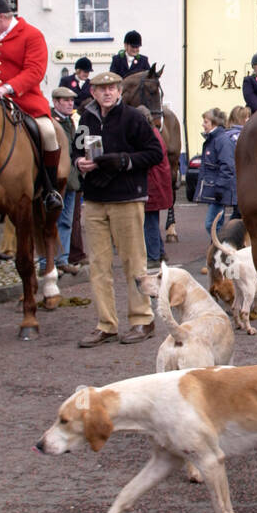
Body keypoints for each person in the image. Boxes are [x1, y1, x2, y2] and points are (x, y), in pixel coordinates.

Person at [74, 71, 163, 347]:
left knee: (133, 262)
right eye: (102, 89)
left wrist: (123, 161)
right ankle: (106, 324)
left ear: (120, 91)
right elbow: (76, 149)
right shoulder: (86, 119)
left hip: (126, 197)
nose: (108, 92)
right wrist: (78, 162)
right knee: (99, 265)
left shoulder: (134, 118)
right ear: (93, 92)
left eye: (112, 88)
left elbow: (155, 153)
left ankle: (142, 319)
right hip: (95, 198)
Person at [0, 0, 63, 210]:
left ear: (1, 18)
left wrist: (6, 88)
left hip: (24, 100)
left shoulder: (32, 35)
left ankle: (49, 189)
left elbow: (35, 71)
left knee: (48, 133)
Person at [48, 87, 82, 275]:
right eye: (66, 100)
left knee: (66, 222)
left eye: (72, 100)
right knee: (50, 222)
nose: (70, 104)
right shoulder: (51, 122)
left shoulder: (71, 122)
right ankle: (47, 260)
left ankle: (62, 259)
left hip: (71, 181)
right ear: (56, 102)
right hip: (55, 182)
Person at [136, 104, 173, 273]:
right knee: (152, 221)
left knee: (149, 222)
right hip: (157, 185)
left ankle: (152, 257)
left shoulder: (148, 136)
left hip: (152, 185)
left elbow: (146, 160)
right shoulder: (155, 133)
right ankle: (159, 252)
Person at [196, 107, 237, 238]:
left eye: (206, 121)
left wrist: (220, 187)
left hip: (218, 191)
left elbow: (228, 166)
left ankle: (220, 248)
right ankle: (218, 248)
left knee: (211, 224)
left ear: (214, 123)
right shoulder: (215, 139)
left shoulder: (221, 140)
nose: (203, 124)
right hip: (216, 190)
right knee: (214, 223)